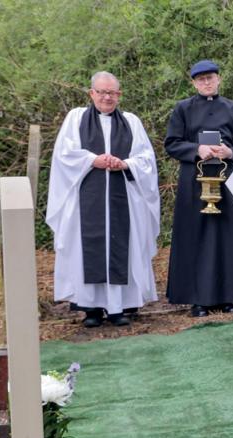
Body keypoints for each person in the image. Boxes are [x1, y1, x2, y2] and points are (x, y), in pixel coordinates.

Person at [46, 71, 160, 328]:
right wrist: (92, 160)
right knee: (86, 248)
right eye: (102, 92)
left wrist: (125, 163)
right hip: (87, 198)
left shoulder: (131, 122)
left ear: (119, 95)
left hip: (123, 200)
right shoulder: (75, 119)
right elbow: (64, 155)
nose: (107, 97)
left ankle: (119, 308)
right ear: (92, 93)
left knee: (123, 246)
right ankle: (91, 309)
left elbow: (146, 160)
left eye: (112, 93)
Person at [165, 60, 233, 317]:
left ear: (219, 79)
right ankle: (199, 299)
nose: (206, 82)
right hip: (194, 180)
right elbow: (172, 143)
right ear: (194, 83)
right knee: (197, 235)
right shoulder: (182, 109)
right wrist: (197, 150)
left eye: (210, 78)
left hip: (229, 178)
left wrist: (231, 151)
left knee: (230, 236)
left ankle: (231, 295)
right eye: (201, 79)